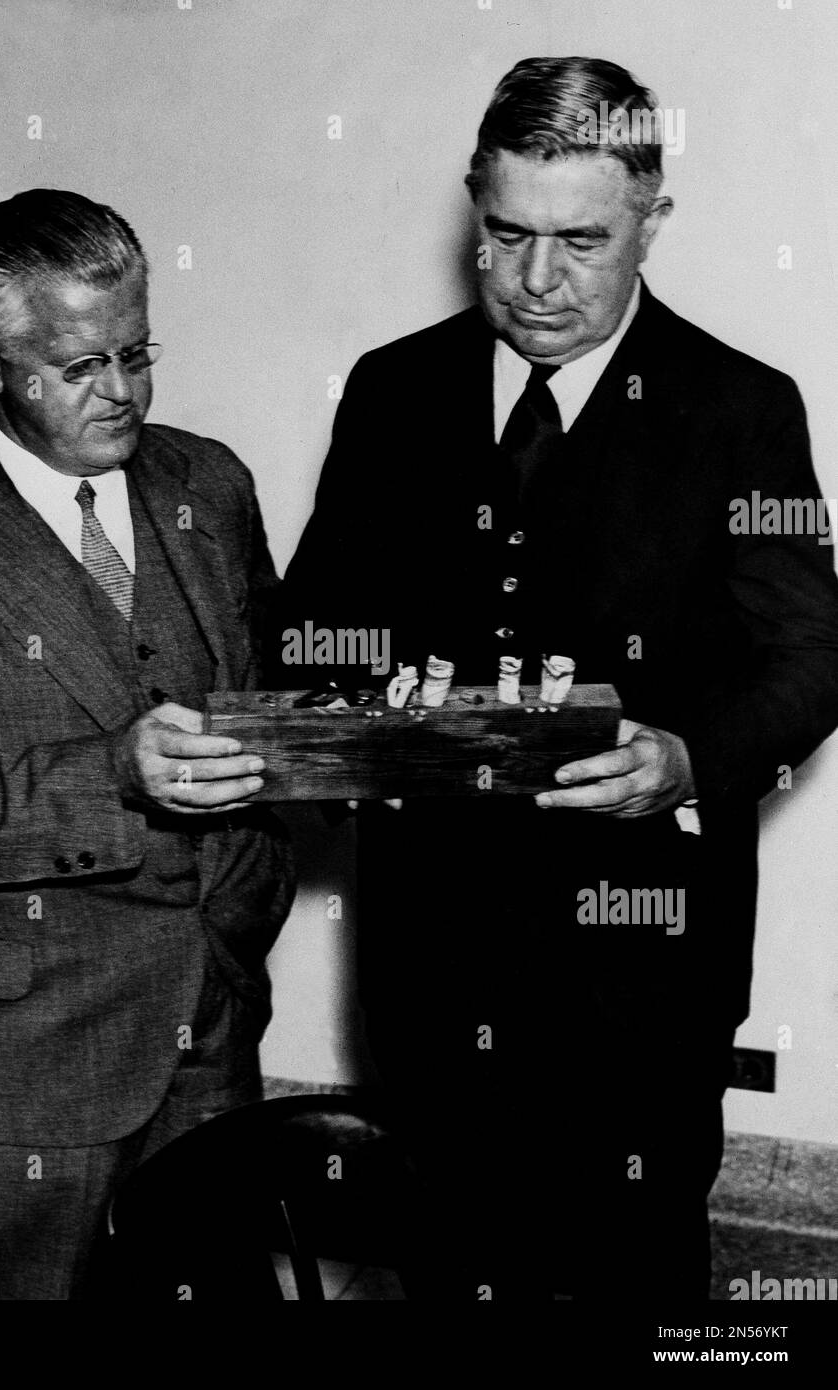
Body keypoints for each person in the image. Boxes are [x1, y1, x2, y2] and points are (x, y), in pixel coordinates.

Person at [276, 57, 838, 1301]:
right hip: (433, 946)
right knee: (452, 1257)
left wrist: (687, 755)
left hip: (644, 956)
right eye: (505, 235)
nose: (536, 282)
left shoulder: (742, 407)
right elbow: (314, 625)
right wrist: (342, 704)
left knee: (624, 1268)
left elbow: (810, 653)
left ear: (653, 220)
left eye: (582, 242)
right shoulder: (391, 389)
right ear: (473, 204)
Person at [0, 189, 295, 1300]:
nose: (123, 391)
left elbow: (268, 693)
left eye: (137, 351)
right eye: (79, 366)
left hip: (209, 1016)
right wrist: (114, 772)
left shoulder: (210, 483)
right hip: (10, 1051)